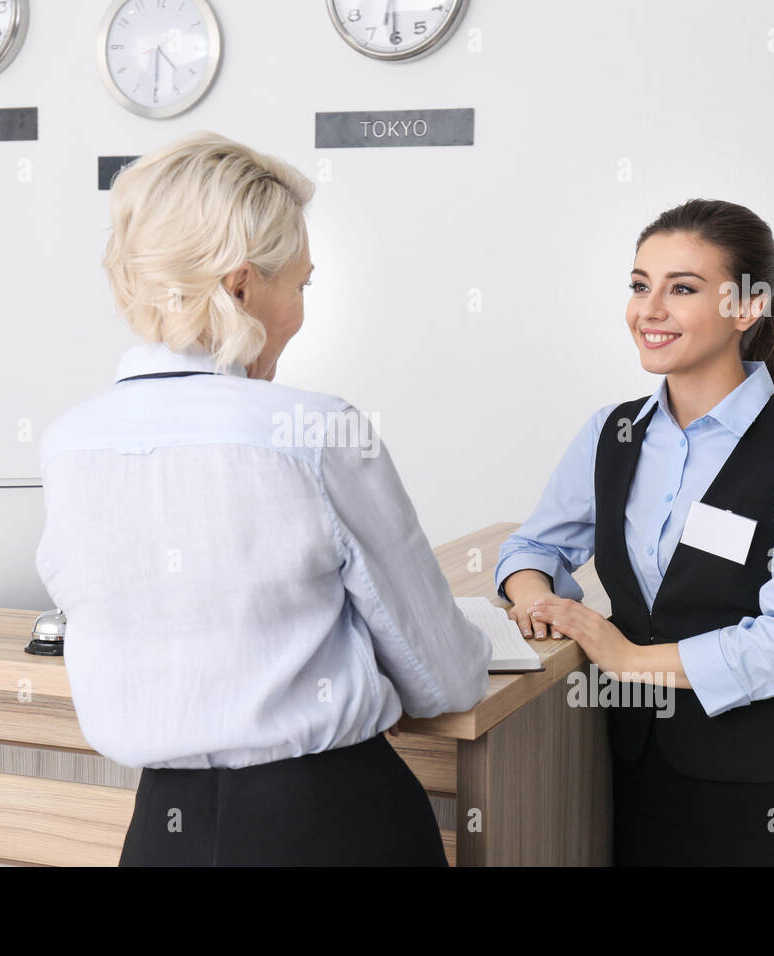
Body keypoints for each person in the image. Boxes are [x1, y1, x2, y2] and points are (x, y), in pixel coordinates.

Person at [36, 131, 491, 867]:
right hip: (330, 824)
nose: (302, 310)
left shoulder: (68, 443)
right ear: (241, 286)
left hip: (161, 829)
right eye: (301, 286)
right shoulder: (316, 430)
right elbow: (442, 675)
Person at [496, 199, 774, 865]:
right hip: (636, 780)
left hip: (768, 795)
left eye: (682, 288)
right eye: (640, 286)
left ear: (748, 308)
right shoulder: (614, 432)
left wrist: (627, 657)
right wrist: (533, 600)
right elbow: (533, 547)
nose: (649, 310)